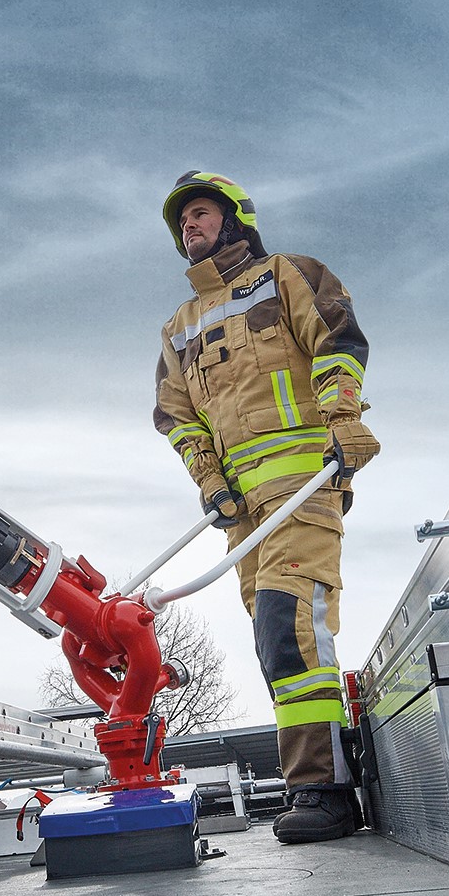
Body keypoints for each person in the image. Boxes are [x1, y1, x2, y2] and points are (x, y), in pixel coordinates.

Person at [152, 171, 377, 843]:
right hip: (244, 513)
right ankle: (317, 777)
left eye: (199, 214)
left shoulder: (289, 274)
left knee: (292, 625)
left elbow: (337, 341)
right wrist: (207, 479)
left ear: (235, 216)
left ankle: (326, 791)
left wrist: (343, 417)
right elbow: (177, 416)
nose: (190, 228)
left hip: (304, 483)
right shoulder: (178, 327)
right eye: (182, 223)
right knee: (275, 642)